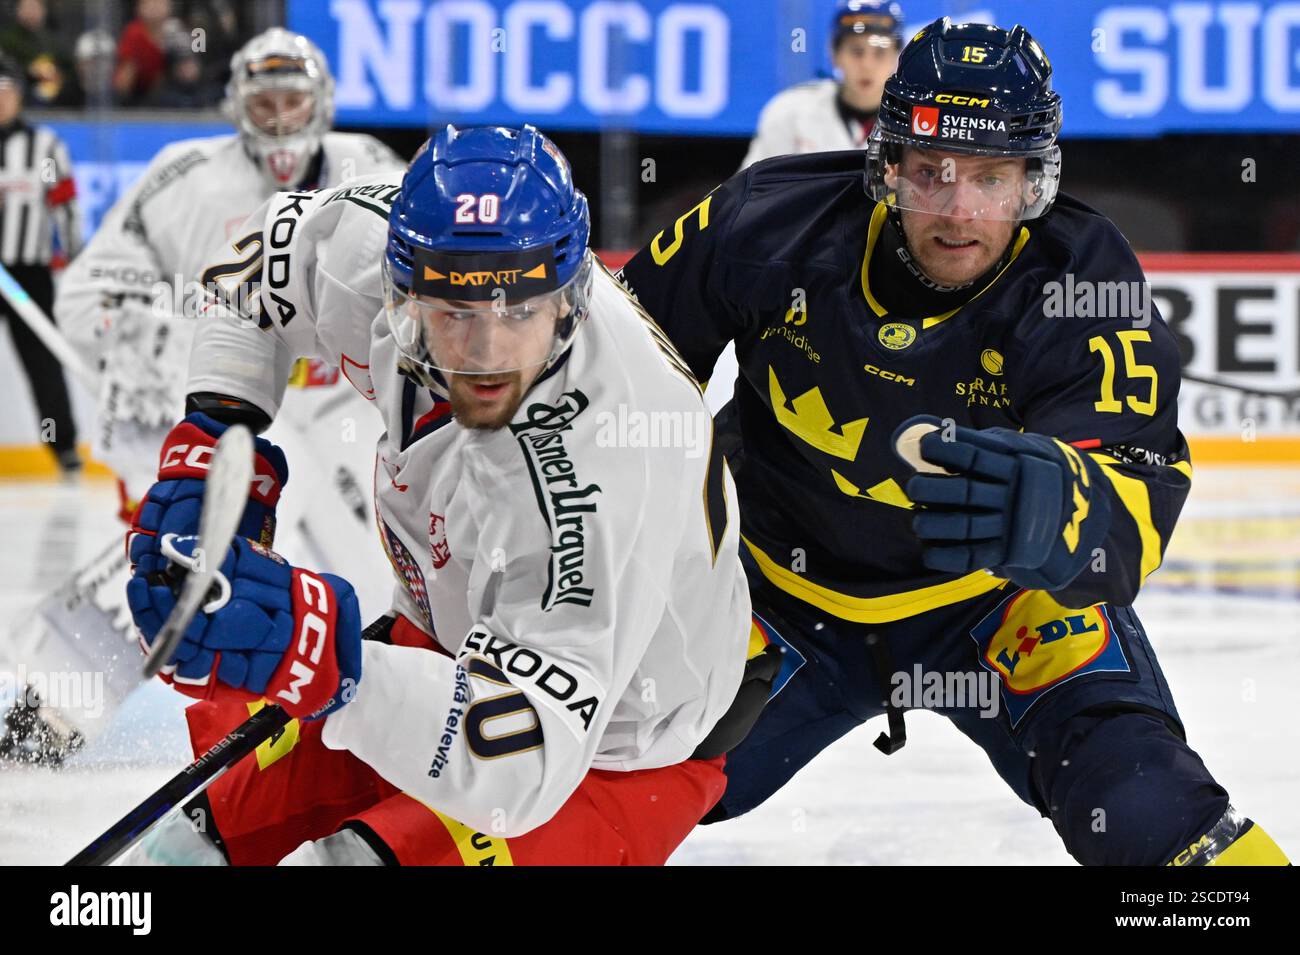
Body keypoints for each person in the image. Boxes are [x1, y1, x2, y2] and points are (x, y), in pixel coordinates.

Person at [618, 18, 1290, 865]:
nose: (959, 208)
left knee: (1147, 801)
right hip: (764, 593)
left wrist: (1069, 508)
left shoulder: (1084, 279)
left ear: (1034, 183)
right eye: (932, 171)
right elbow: (611, 389)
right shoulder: (761, 223)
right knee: (593, 778)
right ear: (887, 166)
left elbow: (1135, 510)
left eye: (991, 175)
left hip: (998, 599)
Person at [119, 124, 755, 866]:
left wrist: (319, 653)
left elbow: (523, 760)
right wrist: (214, 442)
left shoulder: (600, 468)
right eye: (454, 311)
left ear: (571, 298)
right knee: (186, 848)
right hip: (451, 639)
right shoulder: (369, 250)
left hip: (617, 748)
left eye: (517, 309)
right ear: (399, 288)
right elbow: (261, 269)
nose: (485, 351)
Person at [0, 28, 402, 767]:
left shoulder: (371, 167)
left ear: (323, 105)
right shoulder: (181, 174)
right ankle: (58, 704)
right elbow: (88, 293)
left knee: (378, 581)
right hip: (216, 402)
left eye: (294, 100)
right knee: (185, 560)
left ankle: (354, 717)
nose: (280, 118)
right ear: (236, 105)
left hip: (334, 410)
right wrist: (145, 332)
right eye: (264, 100)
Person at [0, 53, 81, 475]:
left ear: (20, 96)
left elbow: (64, 206)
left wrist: (72, 261)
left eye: (5, 92)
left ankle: (62, 445)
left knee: (43, 360)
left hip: (25, 273)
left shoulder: (45, 146)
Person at [741, 0, 904, 169]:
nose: (867, 65)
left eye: (880, 52)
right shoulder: (789, 113)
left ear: (898, 57)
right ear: (834, 54)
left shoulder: (912, 121)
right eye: (856, 51)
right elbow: (751, 187)